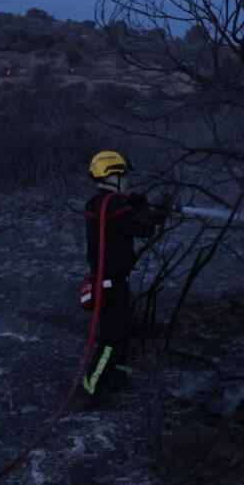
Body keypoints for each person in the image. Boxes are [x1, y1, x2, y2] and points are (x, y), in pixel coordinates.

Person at [81, 150, 166, 406]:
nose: (126, 181)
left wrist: (138, 206)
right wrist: (148, 209)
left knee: (121, 332)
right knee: (111, 339)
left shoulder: (96, 203)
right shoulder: (114, 205)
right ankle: (91, 388)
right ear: (112, 175)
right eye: (123, 176)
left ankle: (115, 378)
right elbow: (144, 229)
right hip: (112, 285)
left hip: (106, 281)